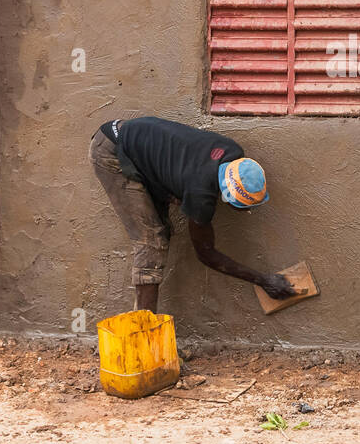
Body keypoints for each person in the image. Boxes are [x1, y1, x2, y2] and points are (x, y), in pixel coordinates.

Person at [89, 116, 299, 312]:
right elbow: (206, 254)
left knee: (160, 231)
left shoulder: (233, 153)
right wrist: (262, 280)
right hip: (113, 151)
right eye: (243, 206)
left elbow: (185, 166)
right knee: (152, 241)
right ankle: (144, 333)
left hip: (137, 140)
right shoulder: (201, 193)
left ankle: (143, 320)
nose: (248, 211)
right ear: (225, 196)